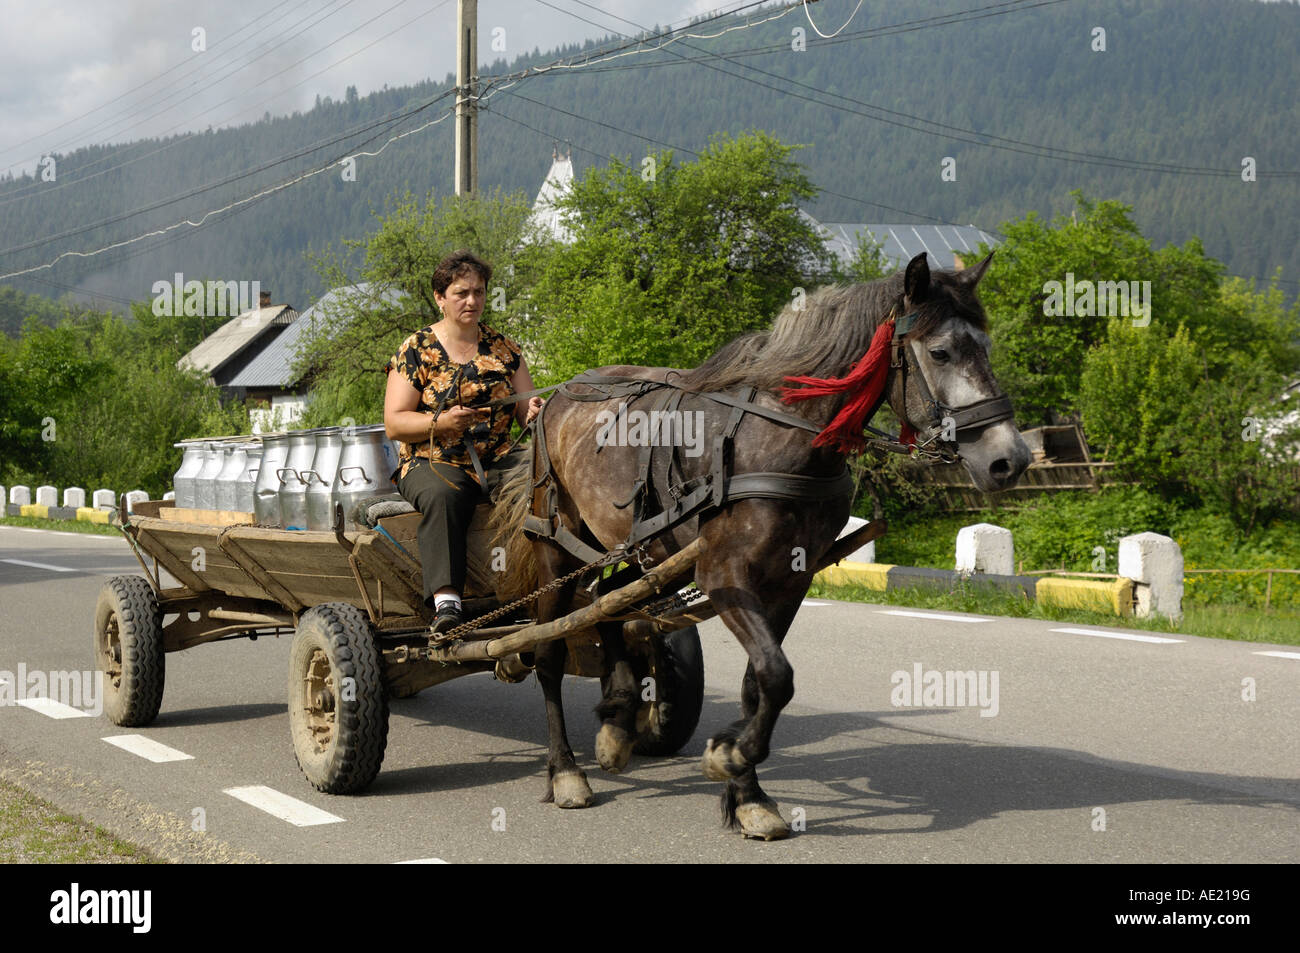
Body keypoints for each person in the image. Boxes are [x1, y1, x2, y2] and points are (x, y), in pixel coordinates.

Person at [383, 250, 544, 633]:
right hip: (431, 458)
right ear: (440, 297)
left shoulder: (504, 348)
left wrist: (535, 411)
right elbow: (394, 423)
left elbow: (526, 409)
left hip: (500, 456)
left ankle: (539, 582)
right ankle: (447, 602)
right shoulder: (416, 349)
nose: (472, 301)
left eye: (479, 292)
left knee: (546, 478)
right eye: (461, 293)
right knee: (445, 495)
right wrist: (442, 423)